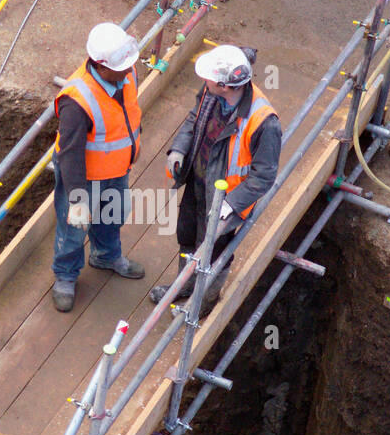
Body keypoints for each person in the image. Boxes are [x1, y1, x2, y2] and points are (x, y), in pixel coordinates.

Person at [149, 44, 281, 313]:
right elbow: (192, 120)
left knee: (214, 250)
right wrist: (179, 149)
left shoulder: (264, 122)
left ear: (225, 85)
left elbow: (264, 176)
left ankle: (202, 304)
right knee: (187, 236)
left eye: (209, 78)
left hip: (227, 201)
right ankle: (185, 286)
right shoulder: (210, 92)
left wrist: (230, 205)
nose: (203, 80)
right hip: (198, 181)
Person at [51, 22, 147, 312]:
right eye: (122, 66)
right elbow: (70, 155)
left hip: (116, 169)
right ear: (100, 66)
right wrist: (78, 198)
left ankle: (105, 256)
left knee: (113, 214)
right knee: (74, 227)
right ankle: (65, 276)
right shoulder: (77, 101)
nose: (128, 69)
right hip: (83, 176)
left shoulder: (126, 73)